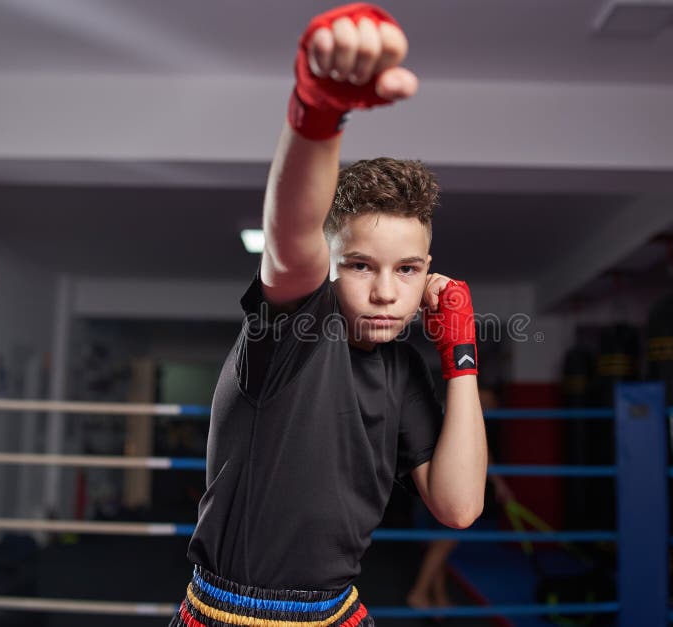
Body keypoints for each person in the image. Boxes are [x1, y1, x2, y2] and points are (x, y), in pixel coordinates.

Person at [168, 4, 488, 626]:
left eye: (408, 269)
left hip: (340, 612)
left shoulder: (402, 370)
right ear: (331, 264)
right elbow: (289, 235)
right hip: (231, 614)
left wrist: (462, 357)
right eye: (361, 265)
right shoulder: (293, 332)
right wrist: (318, 113)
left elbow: (457, 506)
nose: (385, 293)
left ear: (429, 272)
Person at [406, 386, 514, 611]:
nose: (493, 409)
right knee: (445, 542)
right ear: (485, 394)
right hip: (442, 483)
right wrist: (500, 484)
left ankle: (438, 596)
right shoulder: (460, 408)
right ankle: (418, 592)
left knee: (439, 544)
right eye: (493, 402)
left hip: (426, 479)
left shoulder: (446, 405)